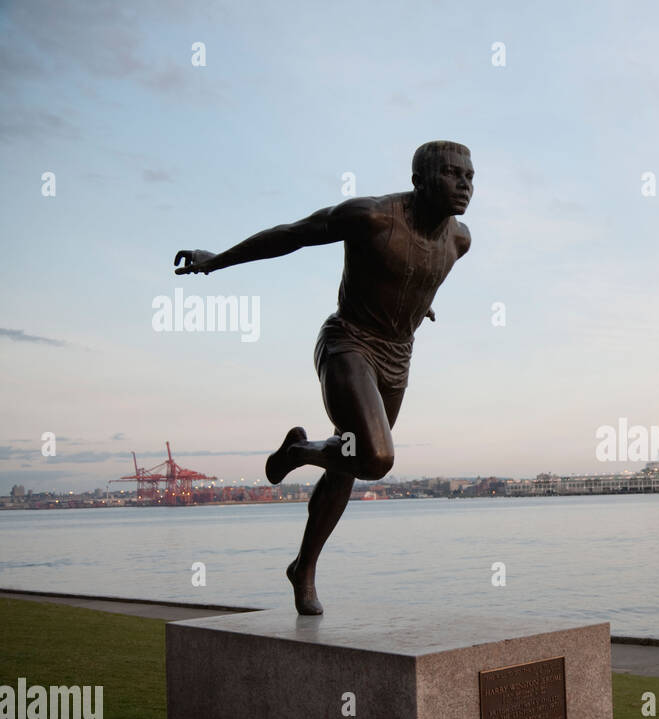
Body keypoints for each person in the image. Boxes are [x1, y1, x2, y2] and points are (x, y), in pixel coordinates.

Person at [174, 141, 473, 614]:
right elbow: (291, 235)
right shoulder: (372, 216)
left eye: (470, 177)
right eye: (453, 174)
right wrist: (216, 260)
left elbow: (417, 274)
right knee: (374, 456)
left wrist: (418, 299)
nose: (465, 185)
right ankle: (299, 452)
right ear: (420, 180)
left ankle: (303, 569)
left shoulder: (459, 241)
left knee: (346, 466)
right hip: (348, 343)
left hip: (398, 359)